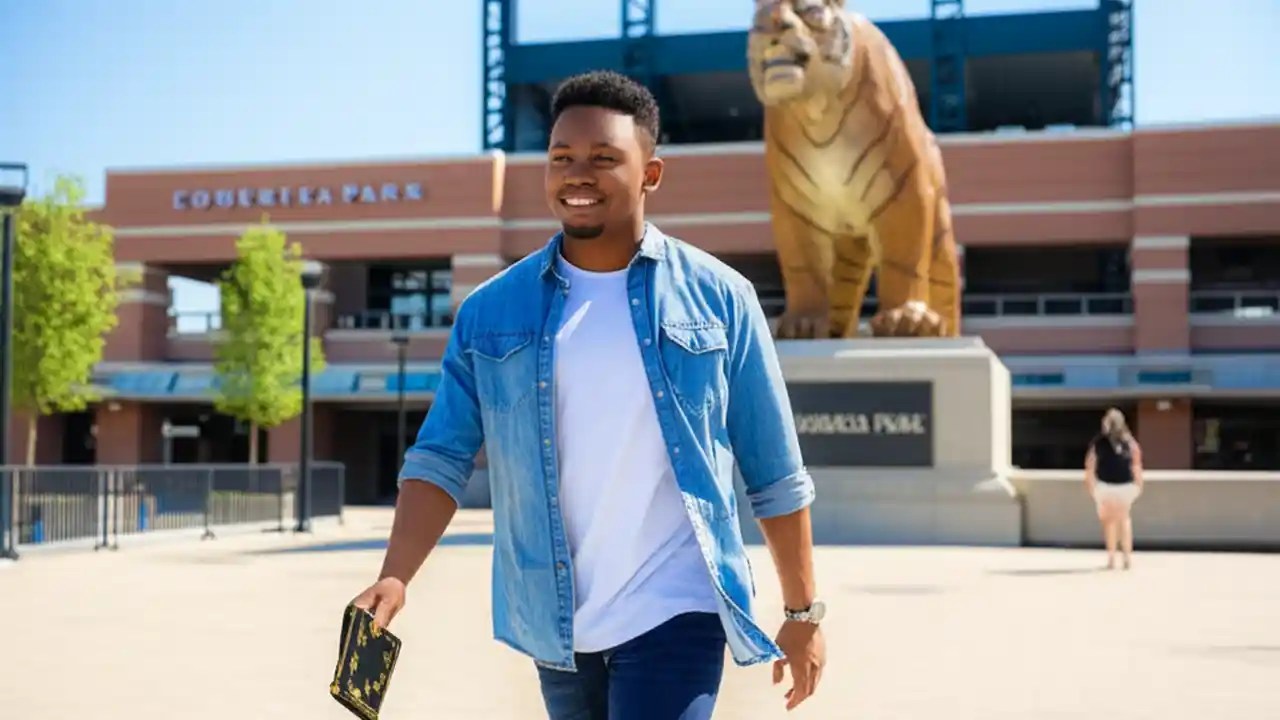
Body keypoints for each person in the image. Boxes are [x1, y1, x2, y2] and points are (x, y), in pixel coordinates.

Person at [350, 69, 827, 719]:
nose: (579, 174)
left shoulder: (720, 300)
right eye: (562, 159)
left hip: (677, 608)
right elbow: (441, 457)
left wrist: (802, 611)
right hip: (557, 625)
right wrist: (395, 573)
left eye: (604, 159)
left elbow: (774, 468)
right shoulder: (492, 312)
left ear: (650, 174)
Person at [1084, 408, 1144, 570]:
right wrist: (1139, 485)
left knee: (1109, 522)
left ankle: (1111, 559)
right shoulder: (1130, 442)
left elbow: (1090, 466)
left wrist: (1091, 487)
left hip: (1105, 487)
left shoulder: (1098, 442)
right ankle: (1127, 558)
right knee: (1124, 519)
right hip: (1126, 486)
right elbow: (1137, 464)